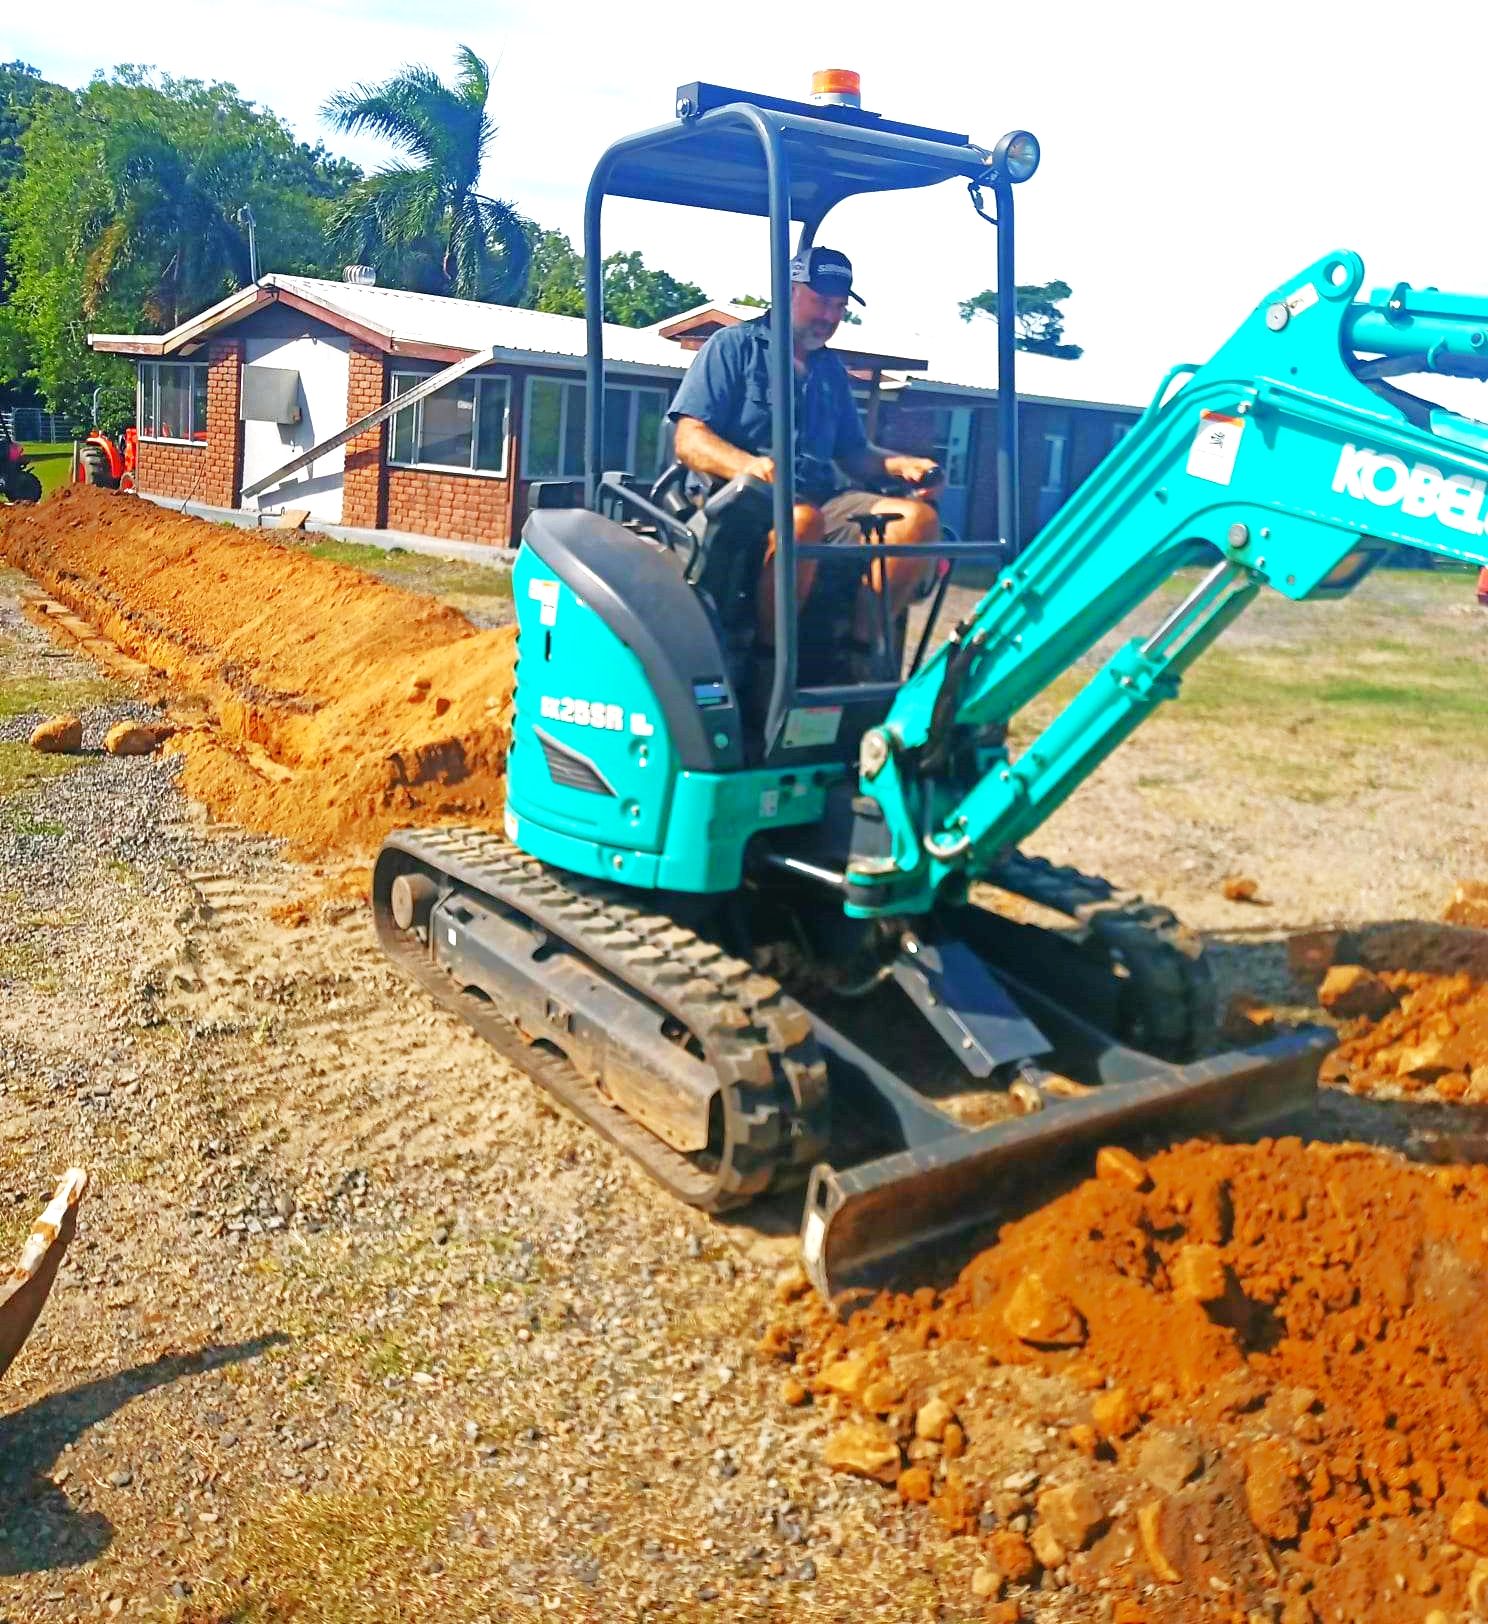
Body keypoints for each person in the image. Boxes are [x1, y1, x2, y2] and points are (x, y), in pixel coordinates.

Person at [666, 246, 943, 655]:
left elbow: (853, 452)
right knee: (802, 521)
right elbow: (690, 439)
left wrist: (904, 465)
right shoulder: (732, 347)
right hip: (739, 504)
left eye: (839, 307)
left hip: (819, 501)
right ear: (788, 291)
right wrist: (749, 466)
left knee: (917, 520)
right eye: (821, 302)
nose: (830, 317)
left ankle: (858, 652)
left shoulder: (830, 370)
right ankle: (771, 660)